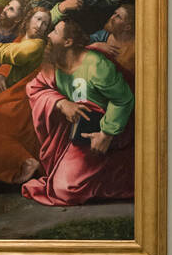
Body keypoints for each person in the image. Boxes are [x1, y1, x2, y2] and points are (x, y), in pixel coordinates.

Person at [22, 16, 134, 206]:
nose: (48, 35)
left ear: (68, 42)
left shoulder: (97, 65)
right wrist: (61, 103)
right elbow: (35, 88)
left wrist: (106, 134)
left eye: (55, 32)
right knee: (64, 187)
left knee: (66, 189)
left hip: (100, 131)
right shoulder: (56, 62)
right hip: (74, 133)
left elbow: (123, 99)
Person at [0, 5, 52, 184]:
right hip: (11, 97)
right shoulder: (21, 38)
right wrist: (0, 73)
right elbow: (9, 59)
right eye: (38, 19)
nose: (40, 25)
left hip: (23, 102)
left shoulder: (37, 45)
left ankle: (25, 161)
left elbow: (16, 55)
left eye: (45, 23)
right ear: (28, 19)